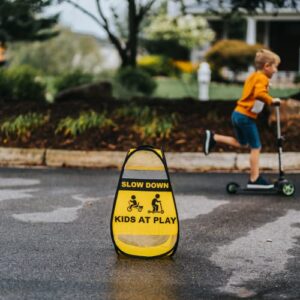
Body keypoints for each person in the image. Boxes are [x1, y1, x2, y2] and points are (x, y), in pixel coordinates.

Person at [204, 49, 281, 189]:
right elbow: (258, 93)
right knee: (256, 147)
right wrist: (271, 100)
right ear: (267, 66)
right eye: (275, 67)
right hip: (246, 117)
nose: (276, 70)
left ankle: (214, 138)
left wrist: (266, 86)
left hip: (237, 114)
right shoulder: (262, 78)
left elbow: (254, 89)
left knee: (242, 143)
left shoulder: (255, 76)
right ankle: (254, 179)